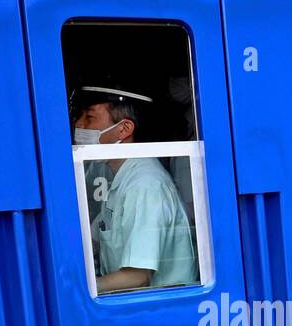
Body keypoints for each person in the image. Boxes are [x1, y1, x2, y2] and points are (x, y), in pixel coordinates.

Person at [72, 85, 198, 293]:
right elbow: (96, 237)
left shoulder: (144, 185)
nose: (79, 124)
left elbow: (137, 277)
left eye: (90, 117)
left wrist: (79, 289)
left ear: (124, 129)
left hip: (155, 311)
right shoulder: (121, 177)